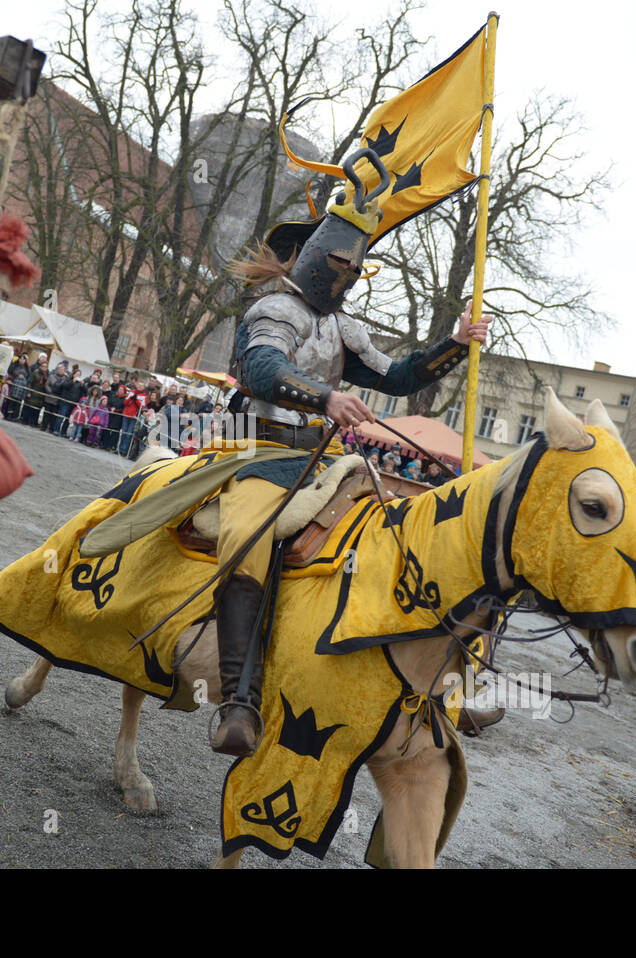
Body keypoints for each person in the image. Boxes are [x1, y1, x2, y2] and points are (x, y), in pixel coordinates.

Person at [207, 152, 489, 755]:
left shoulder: (345, 328)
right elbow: (262, 369)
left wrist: (455, 343)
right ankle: (236, 700)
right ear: (312, 257)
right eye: (338, 263)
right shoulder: (275, 308)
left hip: (316, 463)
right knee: (250, 539)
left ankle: (440, 684)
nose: (347, 275)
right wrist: (326, 397)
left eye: (356, 268)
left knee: (398, 532)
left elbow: (400, 377)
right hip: (252, 455)